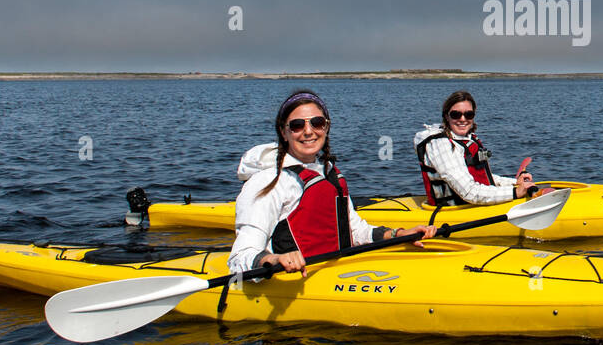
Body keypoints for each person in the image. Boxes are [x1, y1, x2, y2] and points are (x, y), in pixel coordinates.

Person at [229, 90, 435, 274]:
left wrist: (397, 234)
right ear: (284, 132)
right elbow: (240, 256)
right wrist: (273, 259)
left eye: (317, 123)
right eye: (297, 125)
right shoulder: (268, 181)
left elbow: (354, 231)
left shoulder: (327, 172)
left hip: (336, 271)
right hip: (290, 282)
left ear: (326, 128)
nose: (308, 131)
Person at [413, 90, 552, 206]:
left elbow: (480, 178)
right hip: (453, 211)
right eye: (456, 114)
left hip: (472, 204)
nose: (462, 119)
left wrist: (514, 182)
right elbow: (469, 192)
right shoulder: (440, 145)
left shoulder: (466, 138)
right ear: (446, 116)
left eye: (469, 114)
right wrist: (515, 192)